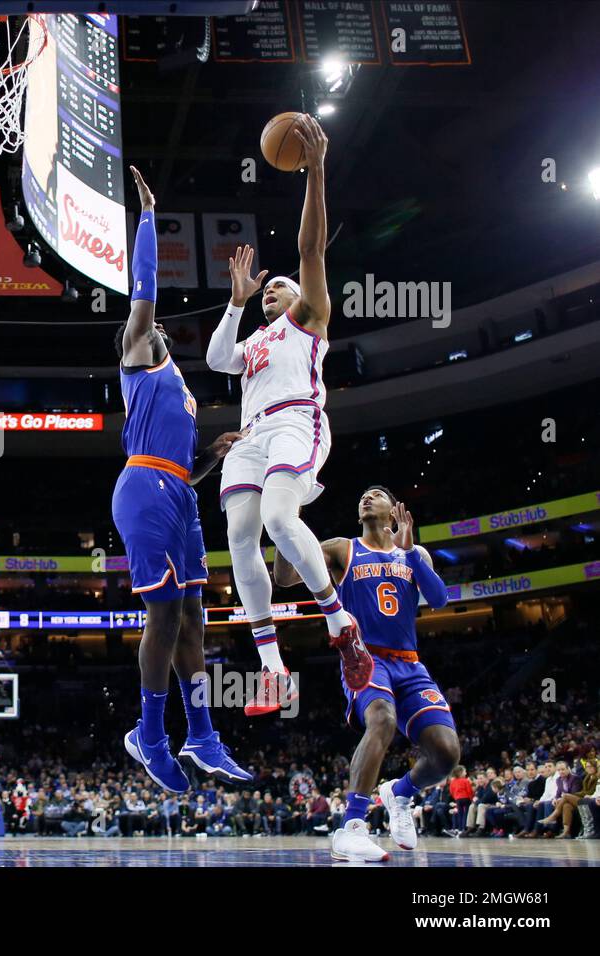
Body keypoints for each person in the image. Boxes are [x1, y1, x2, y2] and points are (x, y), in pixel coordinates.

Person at [205, 115, 373, 716]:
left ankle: (340, 622)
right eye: (268, 288)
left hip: (297, 421)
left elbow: (307, 249)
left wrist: (317, 170)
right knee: (239, 540)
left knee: (279, 517)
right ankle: (273, 671)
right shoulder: (252, 343)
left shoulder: (310, 318)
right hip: (250, 437)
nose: (273, 288)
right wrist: (235, 301)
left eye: (280, 284)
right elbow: (215, 356)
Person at [114, 165, 251, 794]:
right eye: (150, 323)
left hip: (181, 490)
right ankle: (149, 732)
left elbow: (184, 463)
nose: (157, 325)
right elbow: (143, 293)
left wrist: (213, 455)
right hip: (143, 488)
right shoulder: (141, 354)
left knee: (196, 616)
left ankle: (200, 732)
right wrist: (147, 218)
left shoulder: (180, 386)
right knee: (164, 615)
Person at [276, 485, 460, 862]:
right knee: (382, 719)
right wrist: (284, 528)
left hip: (409, 664)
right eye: (362, 495)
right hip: (365, 658)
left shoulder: (414, 552)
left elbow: (440, 600)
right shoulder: (344, 548)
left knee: (446, 754)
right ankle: (353, 826)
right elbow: (284, 577)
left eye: (376, 494)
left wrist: (411, 554)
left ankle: (401, 792)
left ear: (394, 512)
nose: (366, 497)